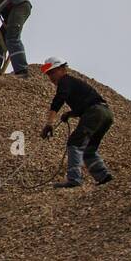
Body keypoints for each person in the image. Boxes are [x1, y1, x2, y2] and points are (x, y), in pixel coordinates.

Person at [40, 56, 114, 188]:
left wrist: (49, 123)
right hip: (106, 114)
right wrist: (70, 114)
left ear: (62, 69)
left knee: (74, 143)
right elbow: (85, 104)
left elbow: (59, 100)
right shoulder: (73, 83)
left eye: (52, 72)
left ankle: (74, 180)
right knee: (89, 149)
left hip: (95, 112)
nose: (50, 77)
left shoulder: (65, 81)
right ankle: (104, 177)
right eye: (48, 74)